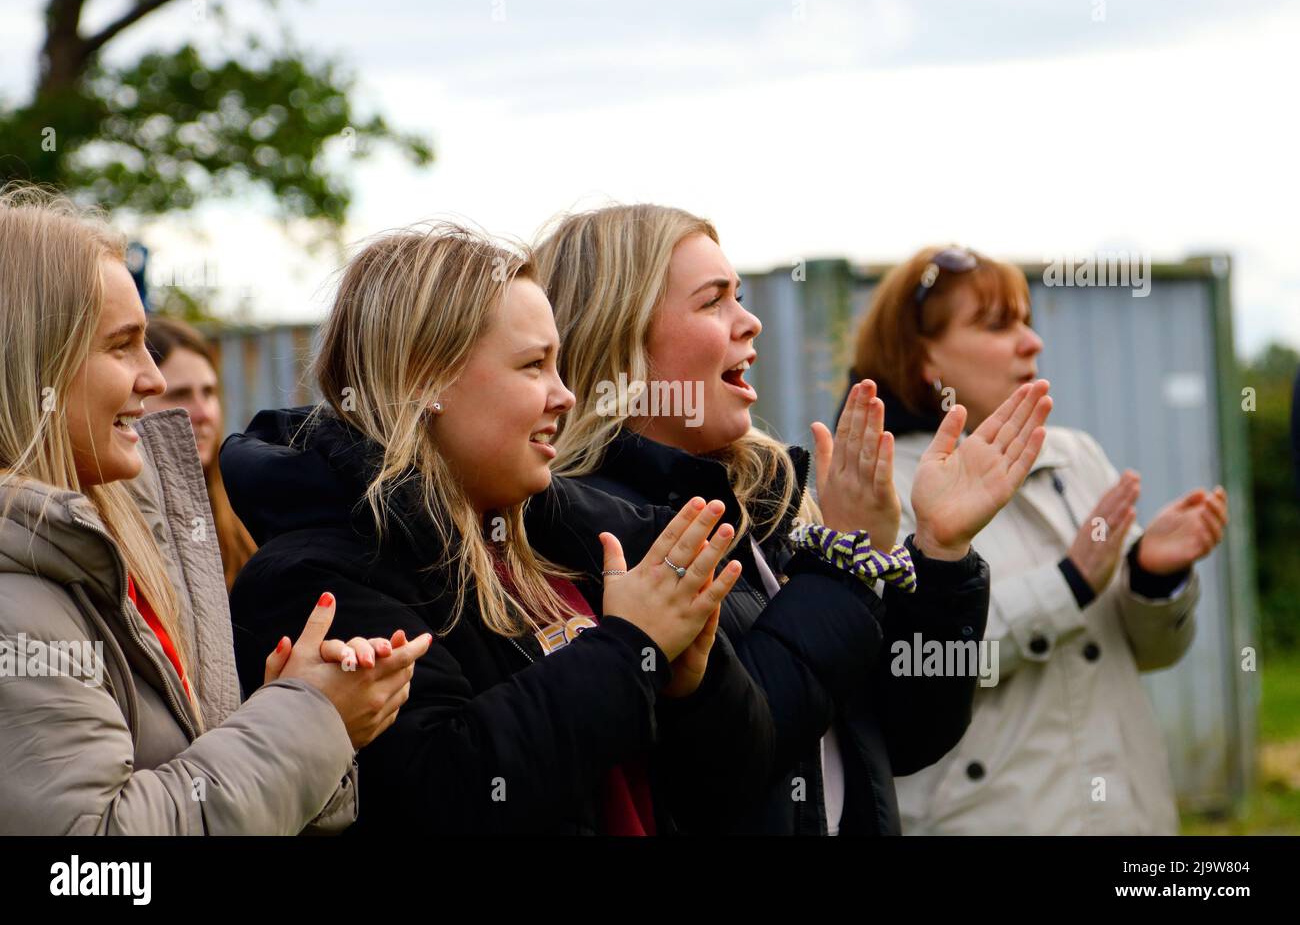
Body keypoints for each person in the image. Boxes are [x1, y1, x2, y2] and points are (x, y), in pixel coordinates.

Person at [221, 221, 773, 834]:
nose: (565, 396)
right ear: (424, 380)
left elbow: (739, 790)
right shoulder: (316, 576)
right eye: (534, 365)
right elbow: (446, 793)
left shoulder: (565, 541)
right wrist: (628, 650)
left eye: (559, 365)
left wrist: (692, 688)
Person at [533, 203, 1054, 834]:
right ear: (620, 334)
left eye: (742, 297)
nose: (749, 322)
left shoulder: (769, 504)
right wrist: (840, 560)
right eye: (712, 302)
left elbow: (909, 736)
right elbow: (729, 757)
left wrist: (943, 555)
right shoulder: (589, 531)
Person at [0, 184, 428, 834]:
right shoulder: (15, 598)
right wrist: (304, 720)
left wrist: (285, 710)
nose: (152, 380)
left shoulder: (110, 543)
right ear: (34, 365)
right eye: (122, 345)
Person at [844, 244, 1228, 834]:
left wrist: (1154, 577)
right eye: (998, 324)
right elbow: (911, 663)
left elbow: (1154, 653)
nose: (1031, 342)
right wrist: (1068, 585)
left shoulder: (1076, 455)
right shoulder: (876, 483)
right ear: (924, 357)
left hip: (1132, 819)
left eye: (1027, 320)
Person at [144, 316, 256, 590]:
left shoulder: (244, 506)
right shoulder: (121, 521)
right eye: (179, 394)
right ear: (135, 402)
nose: (203, 413)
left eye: (208, 392)